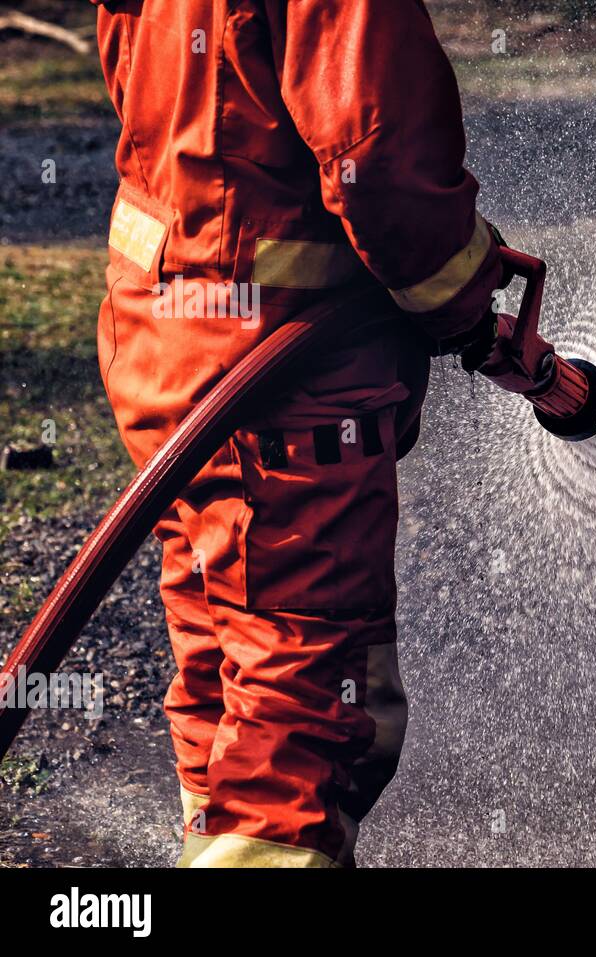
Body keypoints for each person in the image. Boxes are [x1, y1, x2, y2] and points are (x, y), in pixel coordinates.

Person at [89, 0, 501, 866]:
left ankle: (216, 844)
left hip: (165, 348)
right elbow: (381, 165)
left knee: (225, 670)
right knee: (302, 718)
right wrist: (469, 307)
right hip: (278, 379)